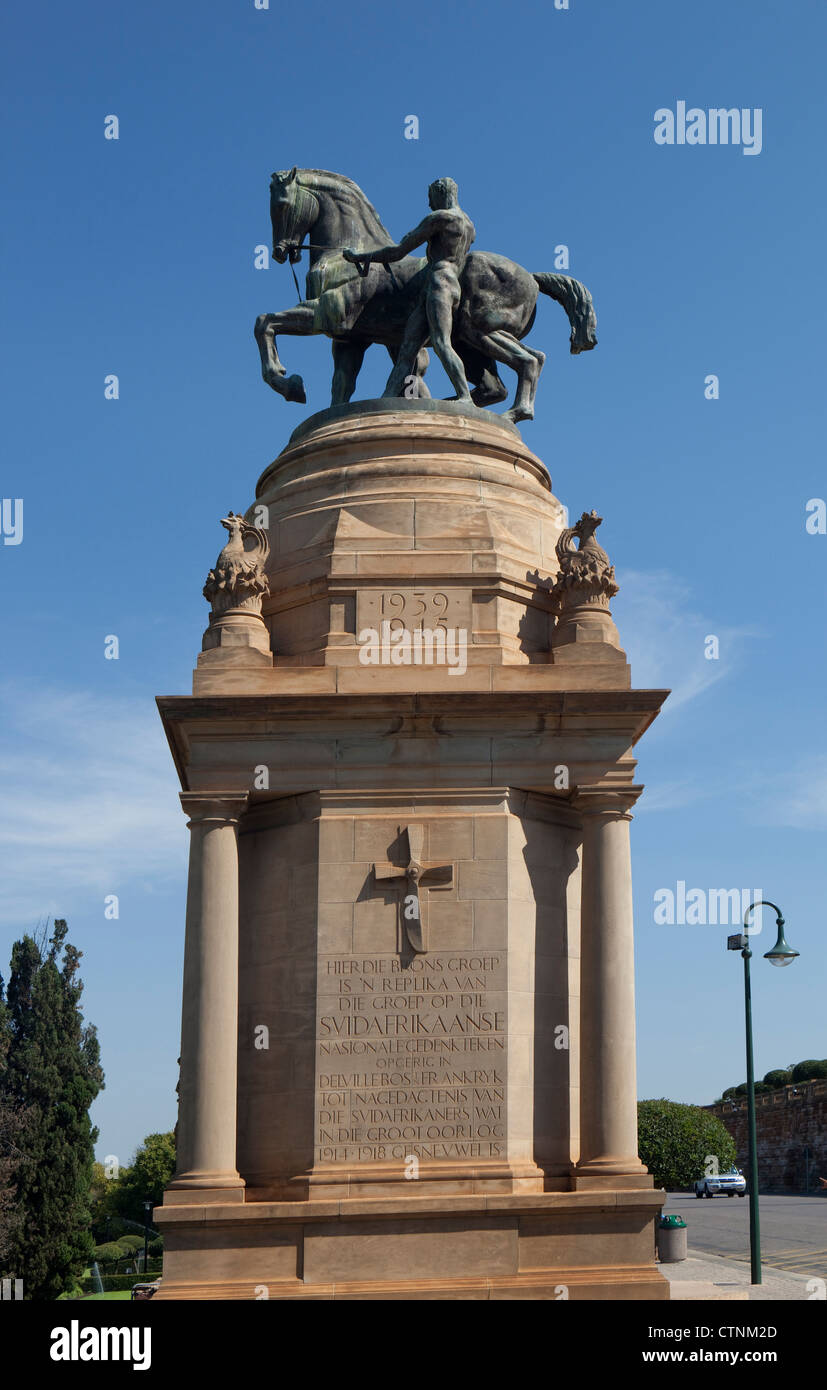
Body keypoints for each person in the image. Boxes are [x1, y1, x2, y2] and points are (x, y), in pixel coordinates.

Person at [343, 177, 475, 402]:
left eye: (430, 197)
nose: (429, 204)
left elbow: (398, 251)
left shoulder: (441, 218)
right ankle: (387, 398)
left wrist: (361, 257)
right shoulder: (469, 224)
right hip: (446, 285)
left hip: (439, 285)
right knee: (407, 349)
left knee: (442, 344)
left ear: (439, 193)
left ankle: (465, 397)